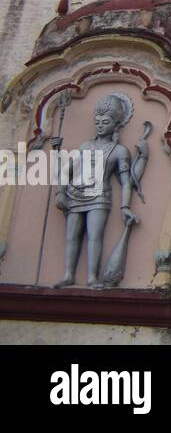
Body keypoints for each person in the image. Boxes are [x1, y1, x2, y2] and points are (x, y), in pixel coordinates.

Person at [49, 93, 139, 288]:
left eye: (104, 122)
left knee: (94, 236)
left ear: (115, 125)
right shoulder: (85, 146)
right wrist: (60, 191)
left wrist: (125, 206)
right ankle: (68, 275)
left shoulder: (119, 151)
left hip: (99, 195)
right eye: (97, 121)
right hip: (75, 194)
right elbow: (66, 172)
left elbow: (125, 182)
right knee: (72, 237)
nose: (99, 125)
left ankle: (92, 276)